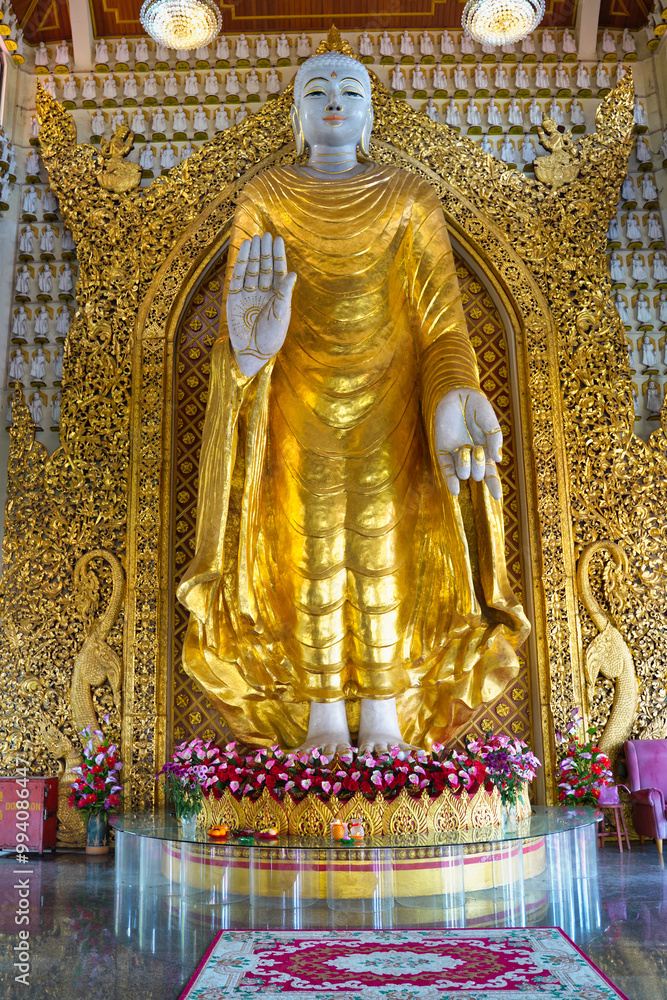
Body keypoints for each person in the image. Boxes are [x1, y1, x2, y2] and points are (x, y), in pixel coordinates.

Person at [177, 40, 528, 753]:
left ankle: (383, 717)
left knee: (386, 549)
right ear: (296, 117)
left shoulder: (406, 196)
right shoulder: (267, 196)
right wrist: (249, 350)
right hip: (291, 403)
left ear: (368, 116)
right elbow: (241, 319)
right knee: (303, 553)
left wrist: (457, 391)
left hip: (392, 404)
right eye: (314, 90)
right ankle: (321, 720)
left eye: (349, 89)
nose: (332, 97)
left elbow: (443, 325)